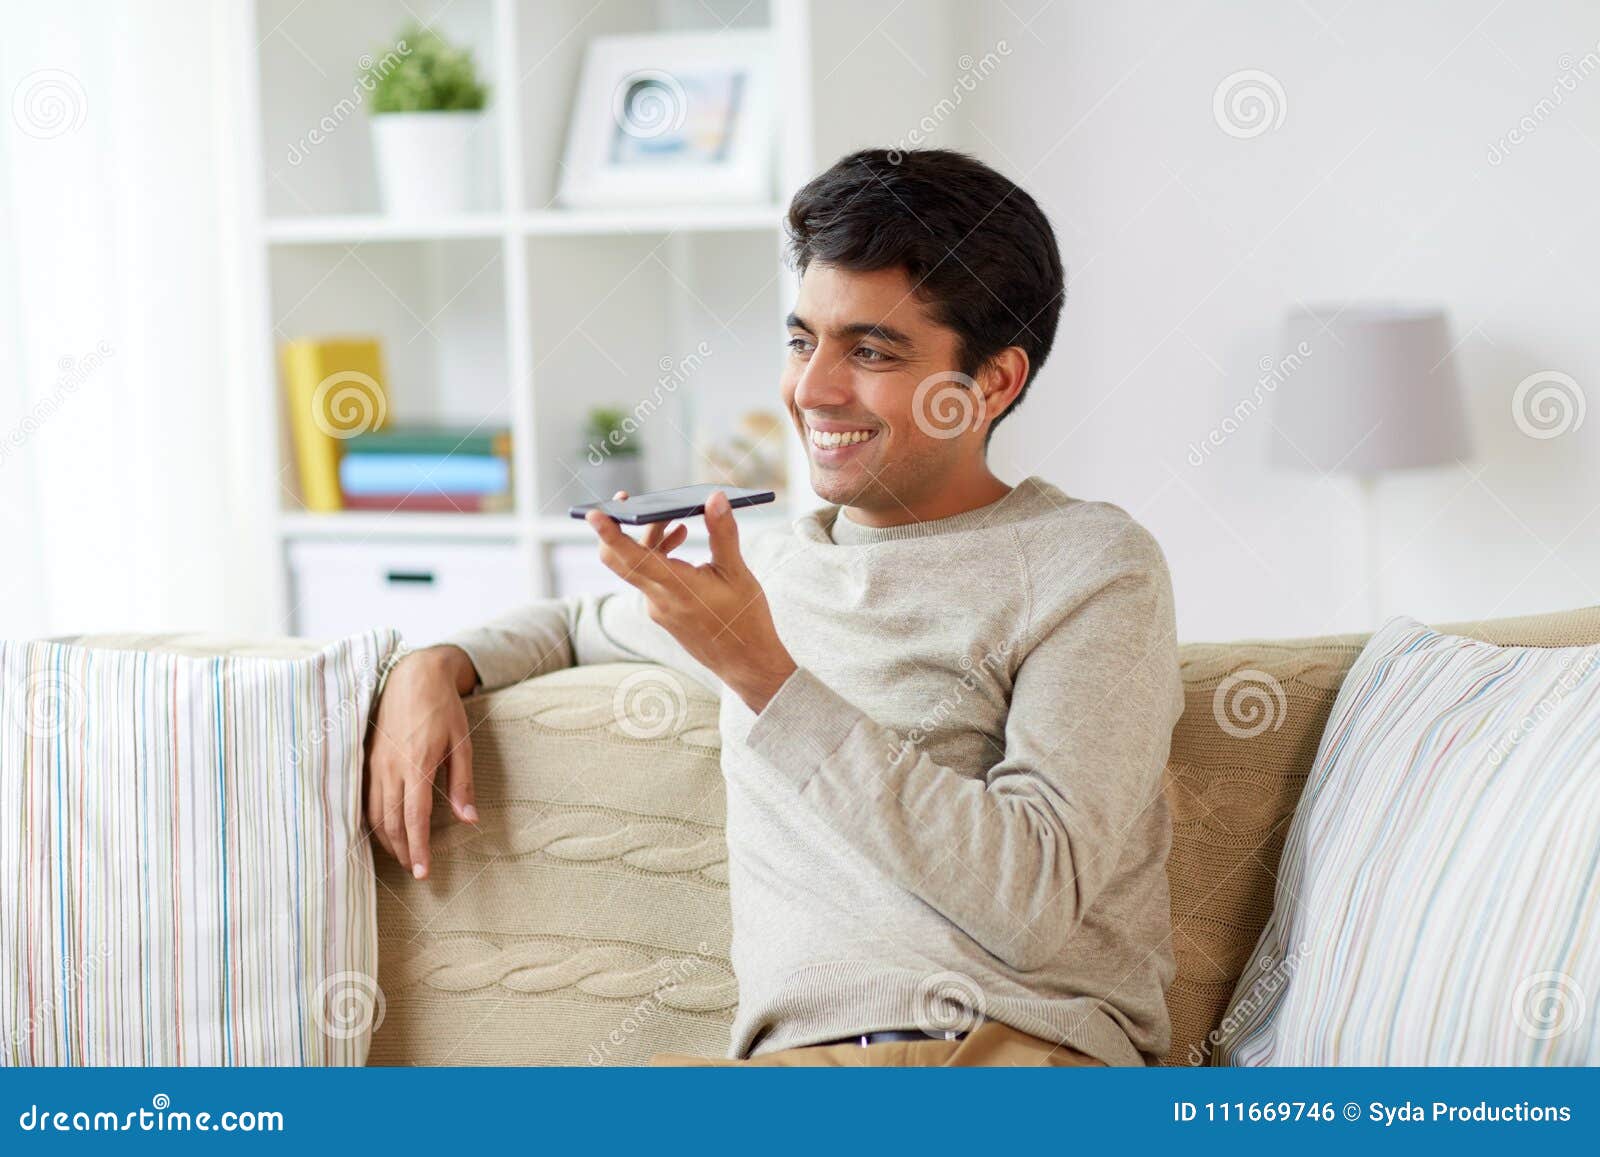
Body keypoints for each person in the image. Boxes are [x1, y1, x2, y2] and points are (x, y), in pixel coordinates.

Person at [365, 148, 1186, 1067]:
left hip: (1011, 1052)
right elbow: (570, 626)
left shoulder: (1092, 568)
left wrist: (764, 671)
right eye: (803, 342)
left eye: (870, 351)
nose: (812, 389)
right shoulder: (768, 574)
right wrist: (432, 665)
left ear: (989, 383)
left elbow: (1032, 899)